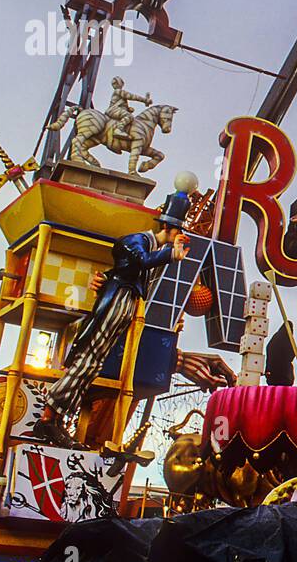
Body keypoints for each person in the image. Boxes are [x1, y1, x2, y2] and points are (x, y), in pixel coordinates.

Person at [32, 190, 190, 448]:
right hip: (117, 302)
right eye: (175, 230)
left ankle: (57, 419)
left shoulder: (154, 252)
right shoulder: (136, 242)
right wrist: (170, 254)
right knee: (89, 359)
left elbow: (128, 270)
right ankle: (49, 416)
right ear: (167, 227)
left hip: (126, 304)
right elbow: (137, 263)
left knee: (93, 365)